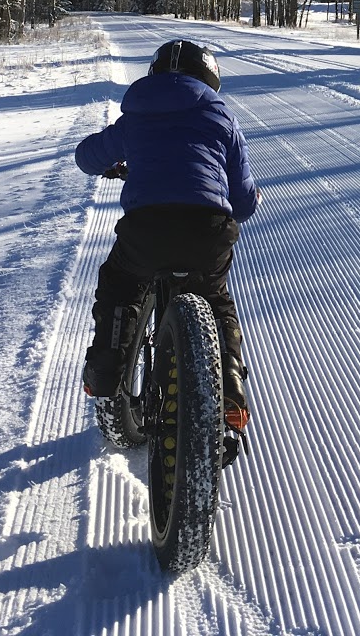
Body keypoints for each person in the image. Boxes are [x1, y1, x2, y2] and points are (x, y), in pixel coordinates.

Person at [75, 38, 258, 431]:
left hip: (147, 229)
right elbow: (242, 201)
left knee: (121, 285)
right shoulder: (223, 117)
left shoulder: (135, 115)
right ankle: (229, 392)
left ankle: (106, 371)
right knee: (215, 297)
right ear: (211, 78)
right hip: (207, 230)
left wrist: (118, 158)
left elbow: (86, 158)